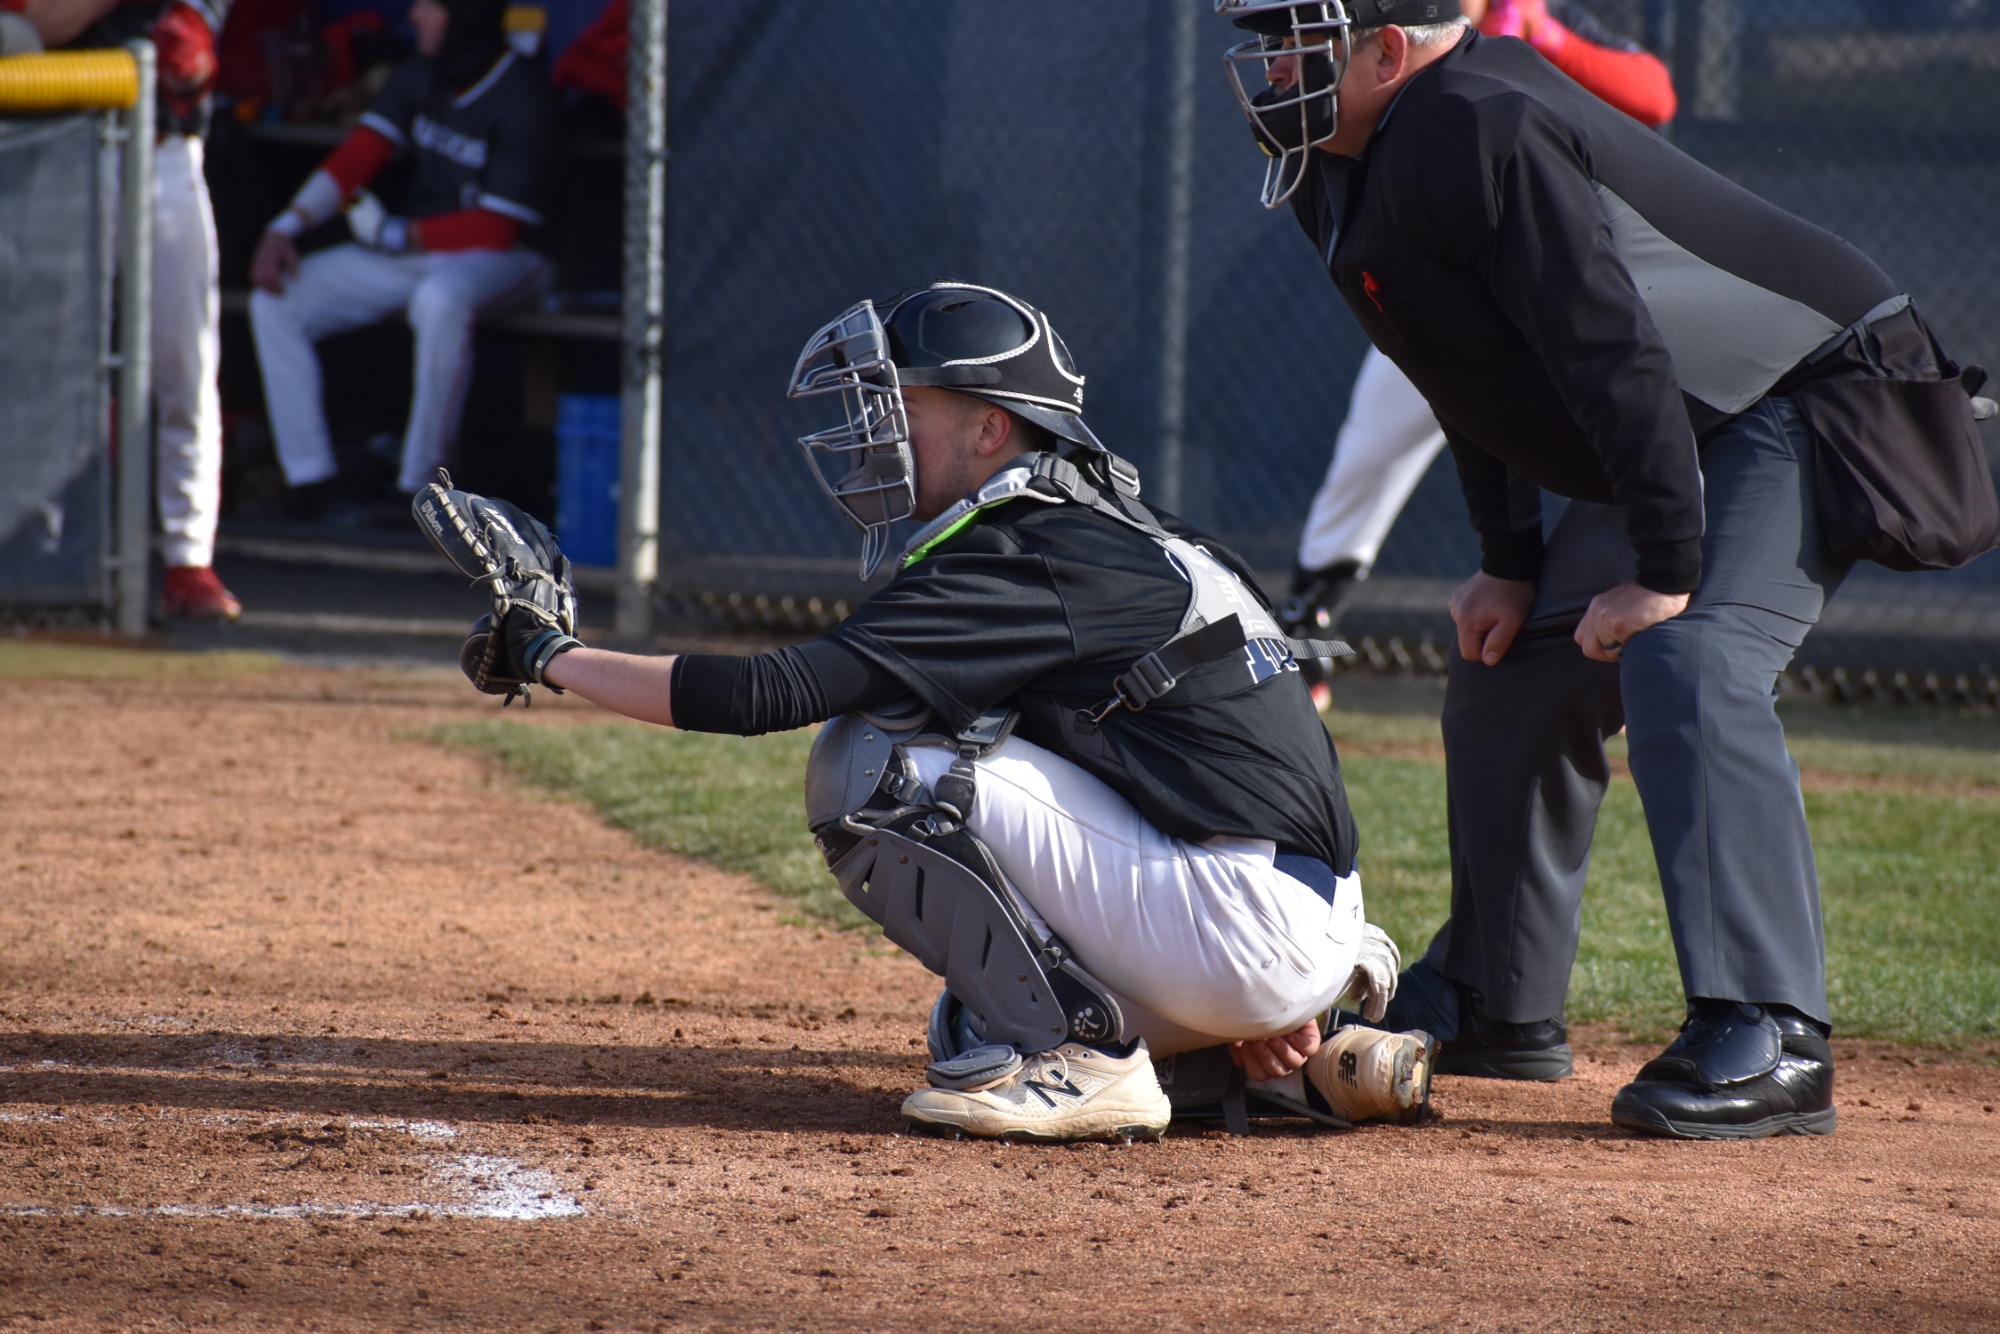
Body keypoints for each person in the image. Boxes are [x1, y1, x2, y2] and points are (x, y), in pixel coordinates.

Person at [1217, 1, 1976, 1138]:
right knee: (1507, 658)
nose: (1272, 66)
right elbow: (1461, 363)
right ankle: (1492, 993)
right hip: (1694, 419)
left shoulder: (1476, 123)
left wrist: (1667, 564)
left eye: (1300, 39)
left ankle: (1771, 1028)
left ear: (1387, 50)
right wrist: (1508, 561)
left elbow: (1606, 343)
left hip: (1812, 392)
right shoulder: (1341, 161)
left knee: (1692, 651)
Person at [452, 281, 1442, 1142]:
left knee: (870, 765)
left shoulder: (1024, 548)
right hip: (1295, 908)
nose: (875, 428)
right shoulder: (1115, 524)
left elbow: (770, 693)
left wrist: (552, 653)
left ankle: (1088, 1058)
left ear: (989, 428)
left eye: (904, 404)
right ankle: (1280, 1056)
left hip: (1247, 918)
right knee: (964, 1026)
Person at [1279, 0, 1676, 701]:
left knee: (1628, 401)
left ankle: (1670, 577)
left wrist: (1540, 35)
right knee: (1369, 450)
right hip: (1447, 290)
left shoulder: (1537, 16)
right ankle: (1309, 621)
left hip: (1557, 281)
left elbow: (1655, 93)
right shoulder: (1378, 26)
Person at [247, 0, 553, 518]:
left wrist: (395, 234)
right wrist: (285, 226)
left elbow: (498, 227)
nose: (413, 17)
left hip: (514, 260)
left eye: (431, 8)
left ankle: (418, 492)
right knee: (278, 297)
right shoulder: (421, 74)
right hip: (422, 249)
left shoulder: (524, 94)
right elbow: (359, 154)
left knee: (440, 301)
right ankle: (310, 480)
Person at [13, 0, 243, 618]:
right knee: (48, 356)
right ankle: (41, 546)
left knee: (184, 360)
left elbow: (187, 54)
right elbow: (28, 26)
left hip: (167, 156)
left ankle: (188, 558)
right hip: (65, 148)